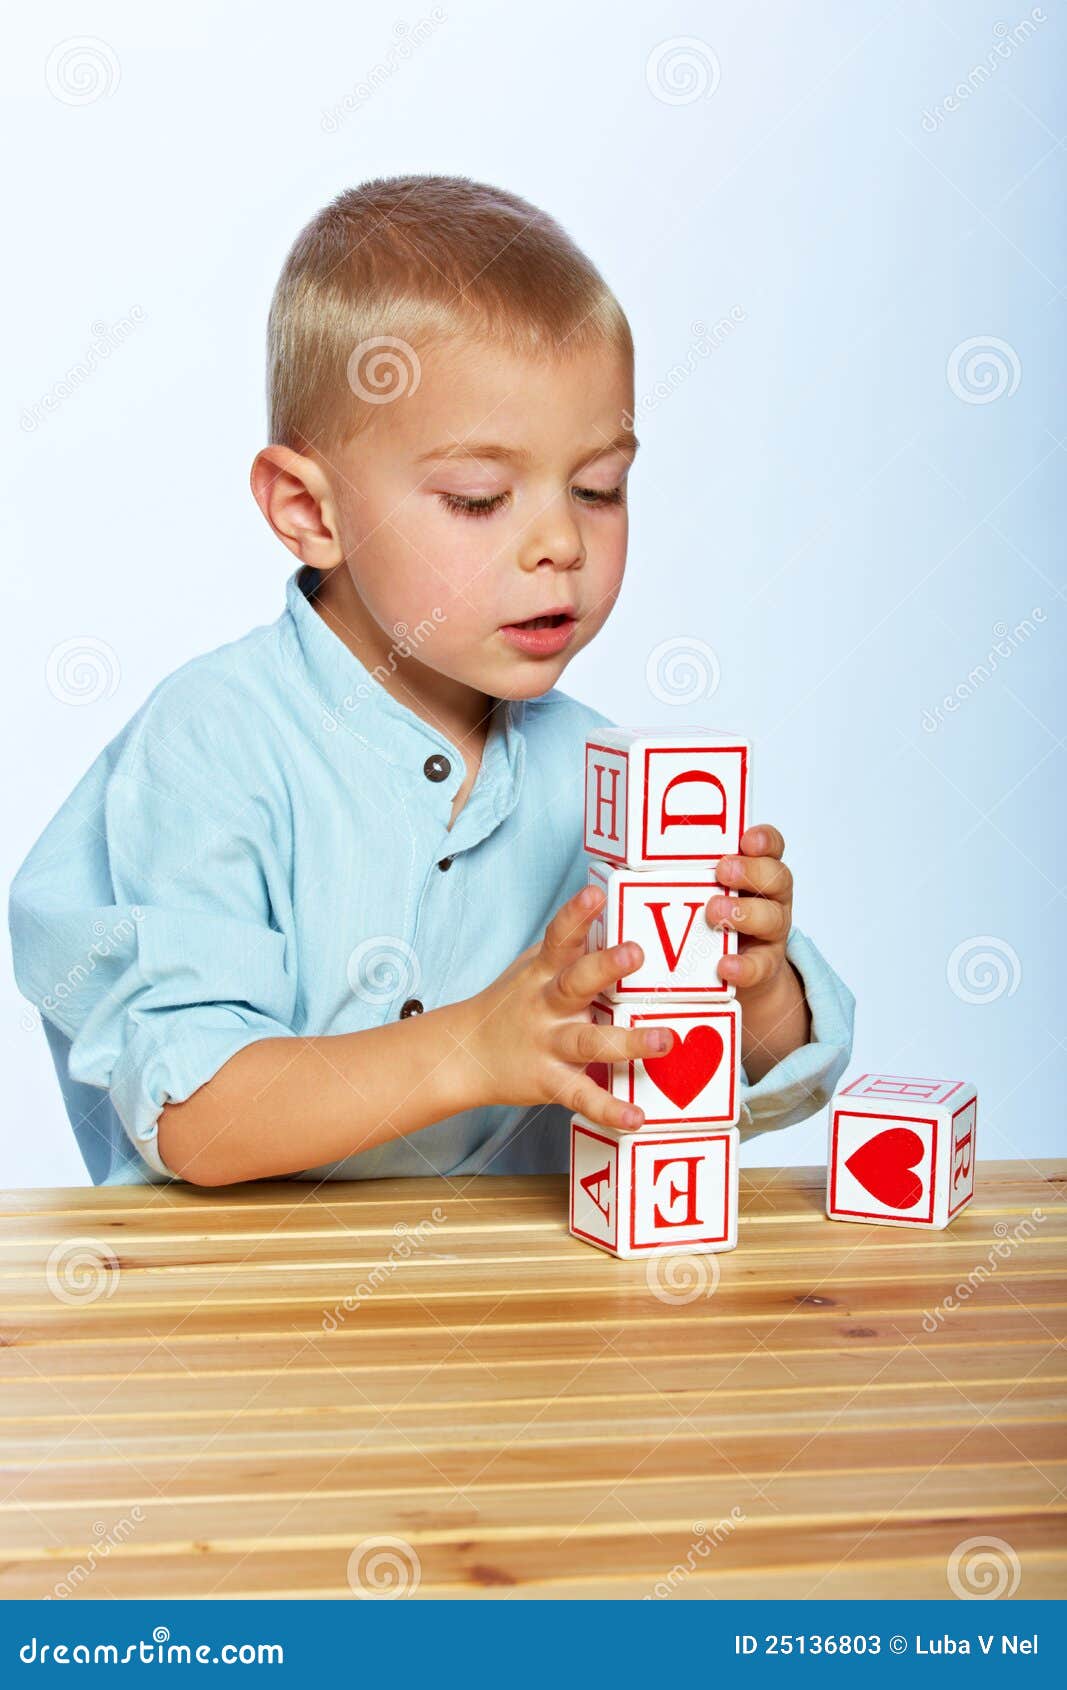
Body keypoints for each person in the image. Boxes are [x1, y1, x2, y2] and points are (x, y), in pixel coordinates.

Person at [9, 175, 854, 1187]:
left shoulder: (611, 776)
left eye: (597, 488)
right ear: (309, 511)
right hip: (244, 1282)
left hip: (506, 1285)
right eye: (479, 498)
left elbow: (751, 1077)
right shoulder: (212, 741)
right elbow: (197, 1118)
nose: (559, 542)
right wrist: (470, 1046)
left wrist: (754, 990)